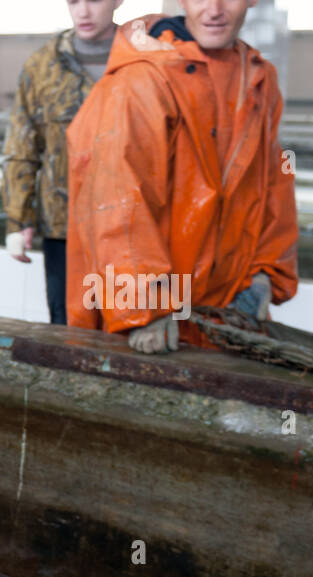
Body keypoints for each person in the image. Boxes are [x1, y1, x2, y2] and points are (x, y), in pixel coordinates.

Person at [66, 1, 298, 353]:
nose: (214, 9)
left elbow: (274, 181)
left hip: (222, 311)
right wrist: (144, 305)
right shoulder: (142, 79)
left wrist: (266, 273)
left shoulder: (257, 81)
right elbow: (119, 197)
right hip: (149, 317)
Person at [3, 0, 125, 324]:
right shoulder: (43, 65)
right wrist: (19, 218)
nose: (83, 12)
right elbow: (22, 143)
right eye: (73, 2)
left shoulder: (141, 60)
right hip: (63, 225)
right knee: (67, 324)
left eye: (94, 1)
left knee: (129, 324)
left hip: (130, 226)